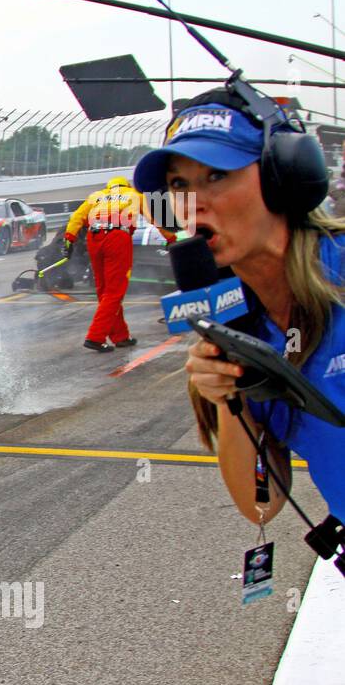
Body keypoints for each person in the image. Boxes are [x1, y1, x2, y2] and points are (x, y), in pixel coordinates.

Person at [134, 88, 344, 524]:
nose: (195, 202)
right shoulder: (240, 327)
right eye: (179, 184)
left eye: (216, 175)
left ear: (281, 178)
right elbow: (260, 505)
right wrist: (233, 396)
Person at [64, 176, 158, 352]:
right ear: (126, 185)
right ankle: (95, 337)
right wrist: (172, 238)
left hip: (94, 238)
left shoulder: (96, 196)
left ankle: (120, 336)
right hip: (117, 237)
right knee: (115, 291)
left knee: (104, 290)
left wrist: (69, 239)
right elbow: (155, 218)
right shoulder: (133, 194)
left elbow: (77, 217)